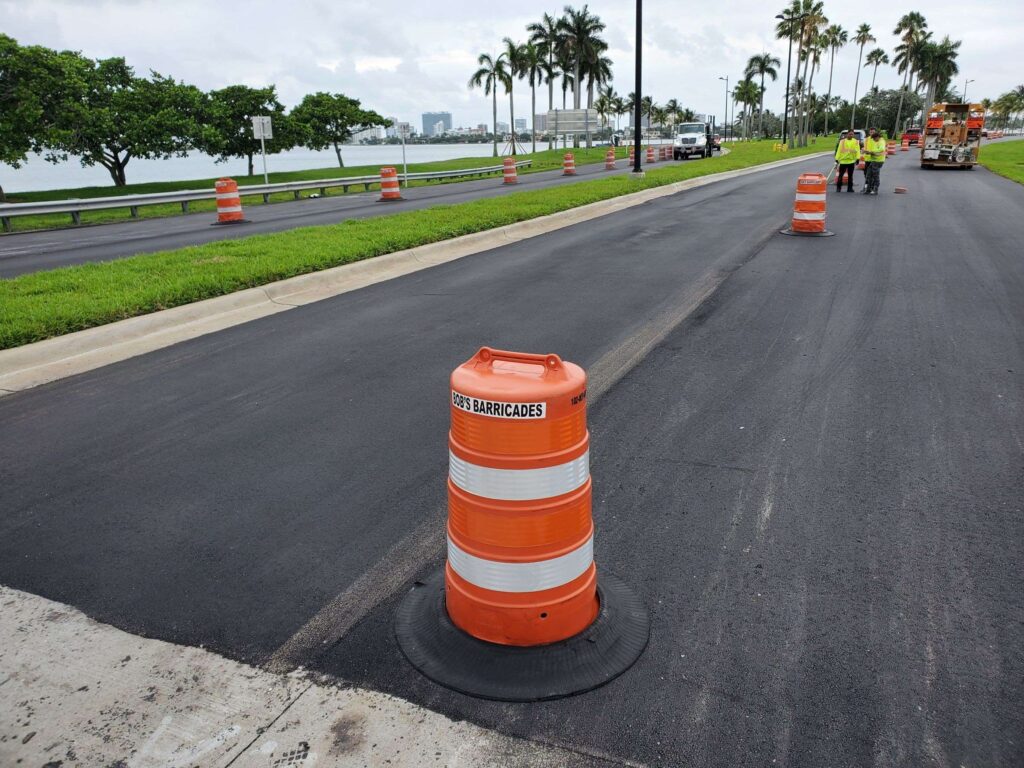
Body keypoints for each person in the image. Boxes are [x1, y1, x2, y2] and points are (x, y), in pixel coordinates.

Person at [862, 128, 887, 195]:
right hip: (873, 160)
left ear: (877, 137)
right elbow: (873, 150)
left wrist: (871, 152)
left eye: (874, 139)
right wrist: (868, 152)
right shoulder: (876, 141)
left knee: (875, 176)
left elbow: (881, 149)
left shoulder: (881, 141)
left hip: (878, 161)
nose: (873, 140)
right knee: (869, 175)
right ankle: (868, 189)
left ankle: (875, 189)